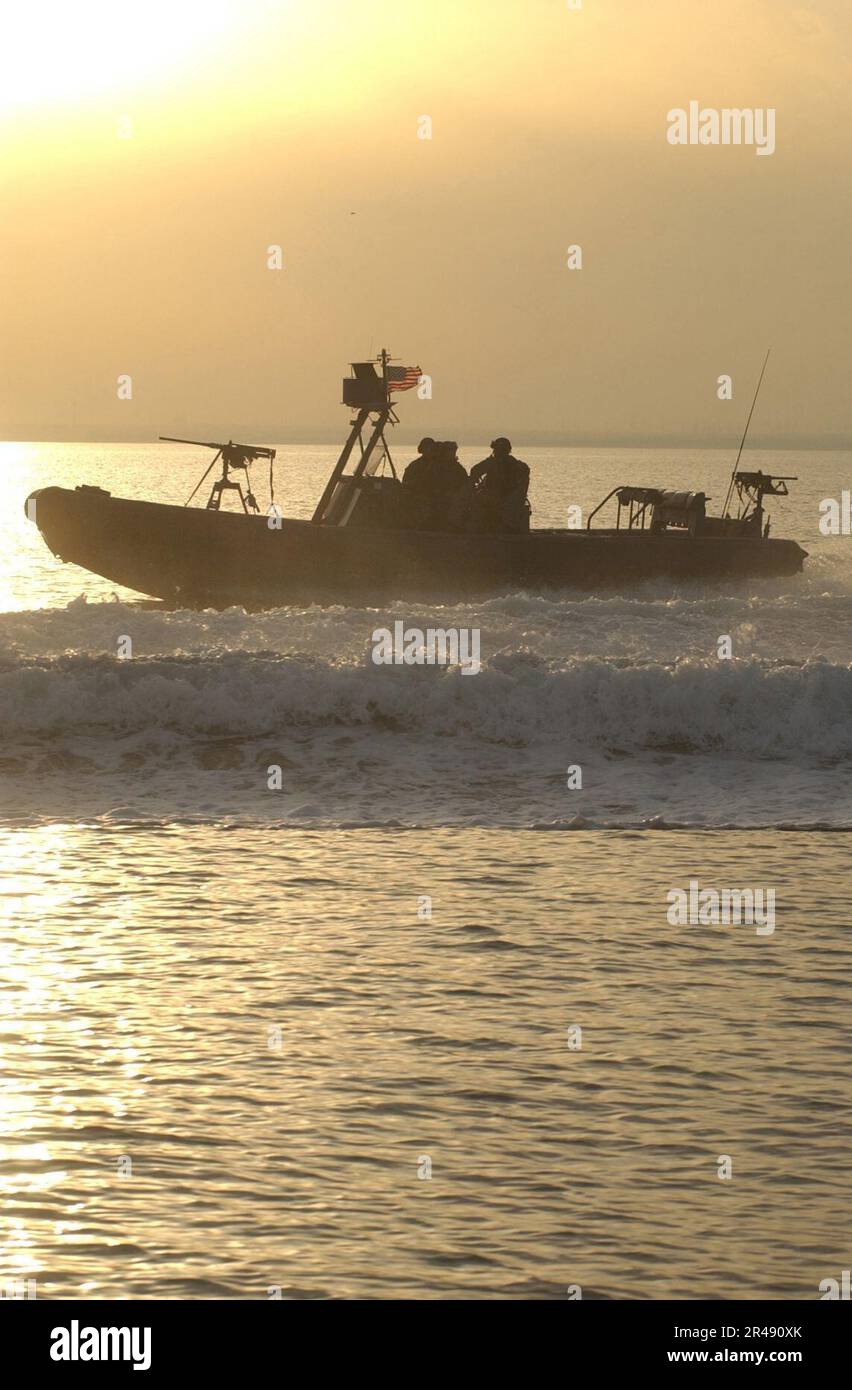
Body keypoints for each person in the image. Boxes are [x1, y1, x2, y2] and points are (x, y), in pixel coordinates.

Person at [400, 438, 469, 530]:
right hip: (423, 496)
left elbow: (461, 482)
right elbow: (409, 483)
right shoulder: (417, 465)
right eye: (428, 448)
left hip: (442, 497)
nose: (430, 451)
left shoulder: (447, 466)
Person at [469, 437, 530, 533]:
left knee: (474, 500)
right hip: (510, 500)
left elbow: (474, 471)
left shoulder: (492, 463)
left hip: (495, 499)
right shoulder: (517, 464)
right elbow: (525, 472)